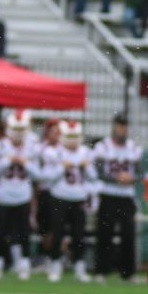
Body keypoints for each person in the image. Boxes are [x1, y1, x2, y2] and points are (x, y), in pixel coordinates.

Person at [91, 112, 142, 280]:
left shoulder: (133, 148)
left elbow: (140, 173)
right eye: (120, 125)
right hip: (108, 194)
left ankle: (128, 272)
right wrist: (116, 178)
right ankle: (101, 270)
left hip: (126, 196)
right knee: (105, 233)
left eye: (125, 126)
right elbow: (99, 172)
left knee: (128, 234)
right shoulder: (103, 147)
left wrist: (131, 178)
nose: (122, 129)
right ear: (114, 126)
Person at [40, 118, 93, 282]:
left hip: (79, 198)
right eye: (69, 136)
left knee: (79, 235)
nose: (72, 140)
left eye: (75, 136)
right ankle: (55, 265)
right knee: (57, 233)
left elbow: (93, 176)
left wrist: (86, 166)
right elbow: (46, 177)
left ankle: (79, 267)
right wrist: (62, 167)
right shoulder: (53, 152)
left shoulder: (85, 152)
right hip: (59, 197)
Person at [0, 109, 37, 279]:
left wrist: (25, 163)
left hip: (23, 195)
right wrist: (6, 161)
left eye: (21, 129)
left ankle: (24, 265)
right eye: (16, 129)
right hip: (4, 195)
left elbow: (38, 174)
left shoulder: (32, 146)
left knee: (24, 232)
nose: (18, 133)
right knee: (2, 232)